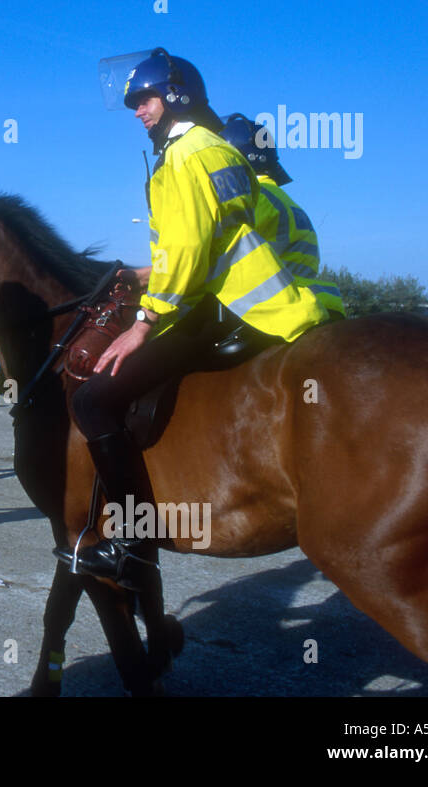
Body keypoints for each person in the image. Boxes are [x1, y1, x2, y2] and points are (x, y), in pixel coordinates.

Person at [69, 48, 328, 585]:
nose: (138, 109)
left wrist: (145, 320)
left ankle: (132, 543)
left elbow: (186, 249)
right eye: (134, 101)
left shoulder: (185, 153)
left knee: (93, 401)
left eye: (145, 98)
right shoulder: (215, 148)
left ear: (176, 95)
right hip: (248, 304)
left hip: (218, 306)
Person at [220, 114, 346, 319]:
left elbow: (214, 254)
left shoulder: (253, 198)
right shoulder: (286, 201)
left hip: (270, 307)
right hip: (312, 299)